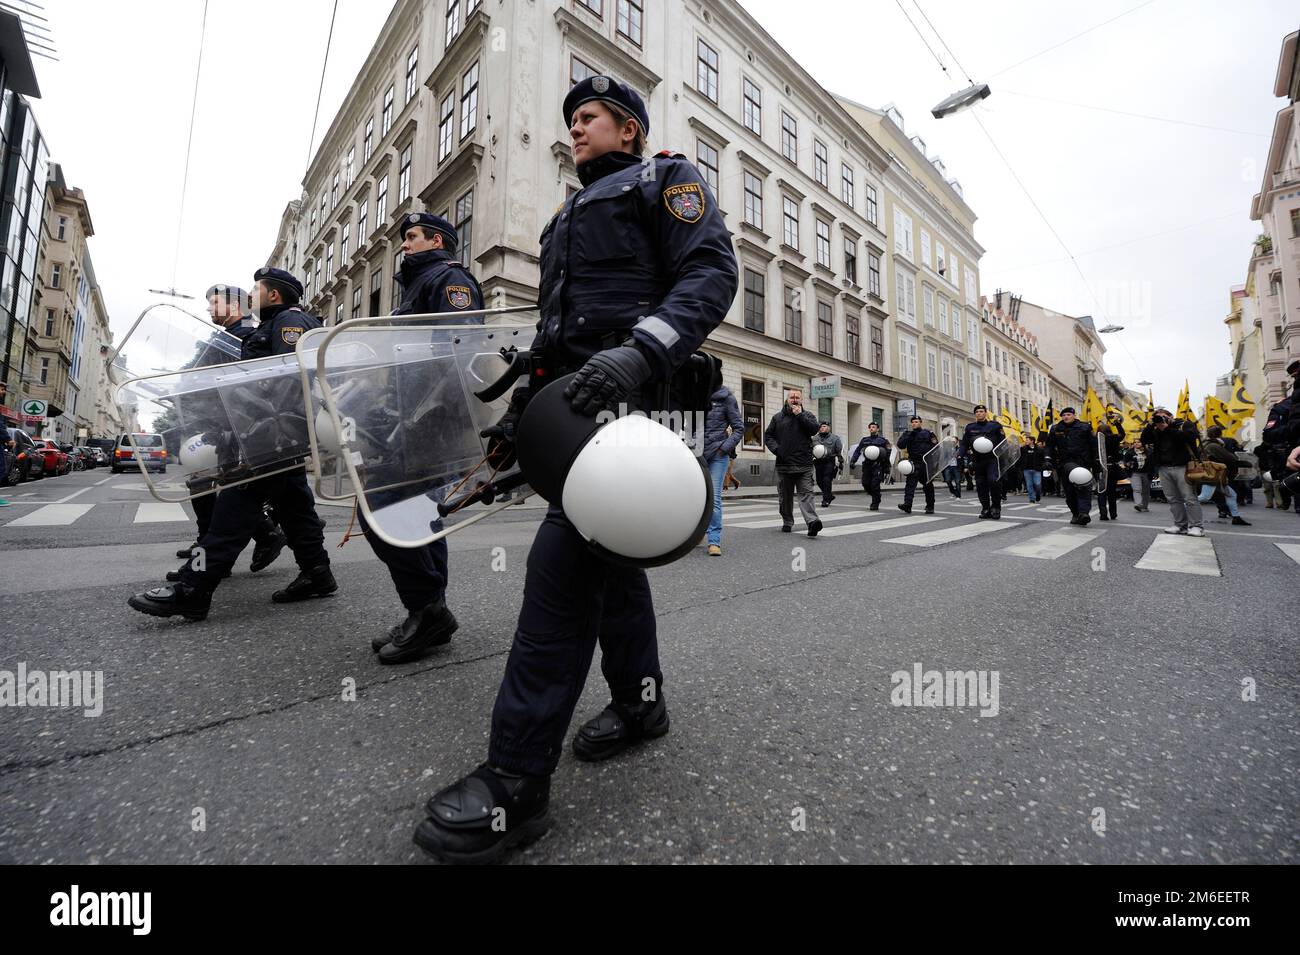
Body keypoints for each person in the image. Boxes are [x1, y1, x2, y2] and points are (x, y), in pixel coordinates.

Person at [412, 74, 738, 863]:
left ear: (627, 128)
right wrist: (521, 420)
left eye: (587, 117)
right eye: (572, 119)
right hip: (577, 416)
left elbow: (712, 274)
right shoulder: (565, 216)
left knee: (561, 572)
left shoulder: (668, 178)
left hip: (637, 413)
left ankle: (516, 784)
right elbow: (555, 337)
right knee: (612, 566)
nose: (576, 128)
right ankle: (640, 705)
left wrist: (639, 352)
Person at [127, 268, 337, 619]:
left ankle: (193, 588)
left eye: (256, 288)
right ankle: (318, 574)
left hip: (271, 435)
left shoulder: (290, 320)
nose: (250, 293)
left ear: (273, 295)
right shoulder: (271, 325)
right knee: (296, 510)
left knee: (230, 514)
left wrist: (256, 428)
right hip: (275, 436)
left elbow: (286, 377)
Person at [360, 212, 485, 664]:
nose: (404, 245)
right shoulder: (415, 287)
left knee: (381, 509)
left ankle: (428, 610)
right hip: (407, 417)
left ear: (436, 241)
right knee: (419, 517)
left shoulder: (450, 280)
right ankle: (430, 612)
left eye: (411, 237)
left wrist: (424, 413)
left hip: (430, 421)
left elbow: (462, 348)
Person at [167, 284, 285, 583]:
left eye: (214, 302)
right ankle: (222, 545)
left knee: (220, 495)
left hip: (231, 429)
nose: (209, 308)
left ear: (234, 305)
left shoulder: (243, 337)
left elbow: (239, 387)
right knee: (209, 490)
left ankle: (209, 559)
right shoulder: (224, 336)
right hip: (214, 425)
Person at [765, 388, 822, 536]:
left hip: (804, 464)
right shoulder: (778, 417)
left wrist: (800, 415)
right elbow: (768, 436)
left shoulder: (807, 415)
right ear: (787, 399)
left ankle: (812, 522)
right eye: (792, 397)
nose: (795, 399)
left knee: (806, 494)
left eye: (797, 397)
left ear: (801, 400)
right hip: (784, 464)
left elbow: (813, 430)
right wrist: (777, 450)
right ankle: (787, 521)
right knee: (785, 497)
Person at [1141, 408, 1204, 537]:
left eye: (1162, 417)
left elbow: (1191, 437)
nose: (1160, 421)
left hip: (1183, 466)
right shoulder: (1156, 429)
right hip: (1164, 468)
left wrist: (1168, 428)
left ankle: (1196, 526)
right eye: (1157, 418)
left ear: (1170, 416)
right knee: (1173, 499)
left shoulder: (1183, 424)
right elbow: (1144, 440)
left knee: (1190, 498)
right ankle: (1180, 525)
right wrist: (1150, 425)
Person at [702, 383, 743, 555]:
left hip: (718, 454)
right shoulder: (694, 396)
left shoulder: (727, 398)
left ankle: (714, 541)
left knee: (714, 497)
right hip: (697, 453)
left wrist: (724, 448)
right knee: (698, 497)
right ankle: (699, 532)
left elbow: (739, 428)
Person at [1046, 408, 1098, 525]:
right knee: (1069, 492)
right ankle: (1075, 513)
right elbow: (1049, 446)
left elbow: (1094, 445)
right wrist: (1048, 459)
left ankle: (1084, 513)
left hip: (1082, 463)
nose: (1066, 417)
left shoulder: (1085, 427)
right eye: (1063, 415)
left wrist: (1096, 461)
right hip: (1064, 465)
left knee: (1084, 488)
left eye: (1068, 414)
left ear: (1074, 415)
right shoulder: (1055, 429)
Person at [959, 405, 1006, 519]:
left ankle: (995, 507)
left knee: (993, 481)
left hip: (992, 459)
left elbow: (1002, 443)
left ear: (985, 413)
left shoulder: (995, 426)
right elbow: (964, 444)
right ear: (975, 414)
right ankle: (985, 508)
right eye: (977, 412)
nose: (979, 413)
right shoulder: (970, 428)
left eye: (981, 411)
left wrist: (1003, 458)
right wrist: (960, 454)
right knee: (980, 484)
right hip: (977, 459)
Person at [896, 415, 938, 514]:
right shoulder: (907, 433)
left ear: (920, 423)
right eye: (913, 422)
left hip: (925, 463)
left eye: (917, 421)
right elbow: (900, 445)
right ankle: (907, 505)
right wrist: (909, 436)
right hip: (913, 463)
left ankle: (930, 506)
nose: (915, 423)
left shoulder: (928, 433)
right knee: (910, 485)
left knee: (928, 485)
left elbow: (936, 446)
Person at [848, 421, 891, 510]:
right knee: (865, 483)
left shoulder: (883, 441)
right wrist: (853, 461)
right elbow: (858, 451)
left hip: (878, 465)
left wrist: (887, 467)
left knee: (875, 484)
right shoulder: (865, 440)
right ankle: (877, 496)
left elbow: (887, 454)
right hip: (867, 465)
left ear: (877, 429)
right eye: (870, 427)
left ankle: (875, 503)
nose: (872, 428)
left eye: (874, 427)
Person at [1096, 414, 1126, 521]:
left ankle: (1103, 514)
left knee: (1101, 492)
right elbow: (1122, 434)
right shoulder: (1113, 438)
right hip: (1112, 468)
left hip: (1101, 468)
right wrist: (1117, 423)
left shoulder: (1096, 440)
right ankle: (1113, 514)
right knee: (1112, 492)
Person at [813, 421, 844, 507]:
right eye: (820, 426)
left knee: (827, 480)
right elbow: (811, 449)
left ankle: (825, 500)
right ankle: (829, 495)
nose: (821, 428)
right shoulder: (815, 438)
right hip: (818, 462)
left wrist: (841, 463)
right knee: (819, 481)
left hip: (829, 462)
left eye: (824, 426)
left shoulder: (835, 438)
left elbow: (839, 451)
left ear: (828, 428)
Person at [1120, 438, 1152, 512]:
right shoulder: (1129, 452)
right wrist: (1127, 465)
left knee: (1146, 491)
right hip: (1135, 473)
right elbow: (1125, 462)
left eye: (1139, 442)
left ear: (1143, 443)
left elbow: (1153, 464)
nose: (1136, 443)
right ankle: (1138, 504)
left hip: (1147, 473)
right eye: (1135, 442)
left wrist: (1154, 473)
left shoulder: (1149, 452)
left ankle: (1144, 506)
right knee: (1137, 489)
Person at [1021, 436, 1045, 503]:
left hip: (1036, 470)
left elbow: (1043, 459)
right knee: (1029, 485)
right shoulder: (1023, 449)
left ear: (1032, 441)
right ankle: (1032, 498)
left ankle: (1038, 495)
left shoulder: (1039, 449)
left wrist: (1041, 466)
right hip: (1026, 470)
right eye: (1026, 440)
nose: (1026, 441)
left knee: (1038, 484)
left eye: (1027, 440)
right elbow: (1020, 457)